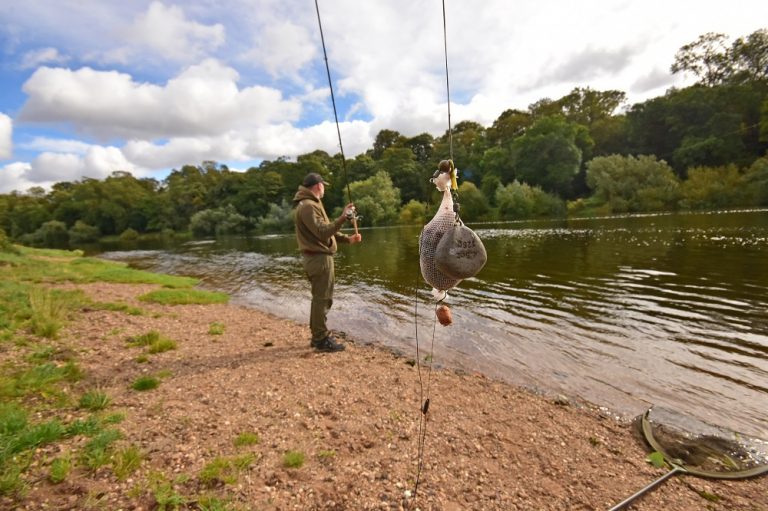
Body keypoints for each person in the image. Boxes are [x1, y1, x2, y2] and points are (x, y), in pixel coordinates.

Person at [293, 172, 362, 352]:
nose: (324, 188)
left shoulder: (312, 204)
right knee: (322, 300)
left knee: (321, 299)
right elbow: (323, 232)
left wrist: (348, 239)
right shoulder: (308, 206)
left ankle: (318, 335)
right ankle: (320, 339)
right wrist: (343, 217)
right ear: (318, 186)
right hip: (318, 260)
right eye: (323, 185)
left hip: (318, 258)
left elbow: (324, 231)